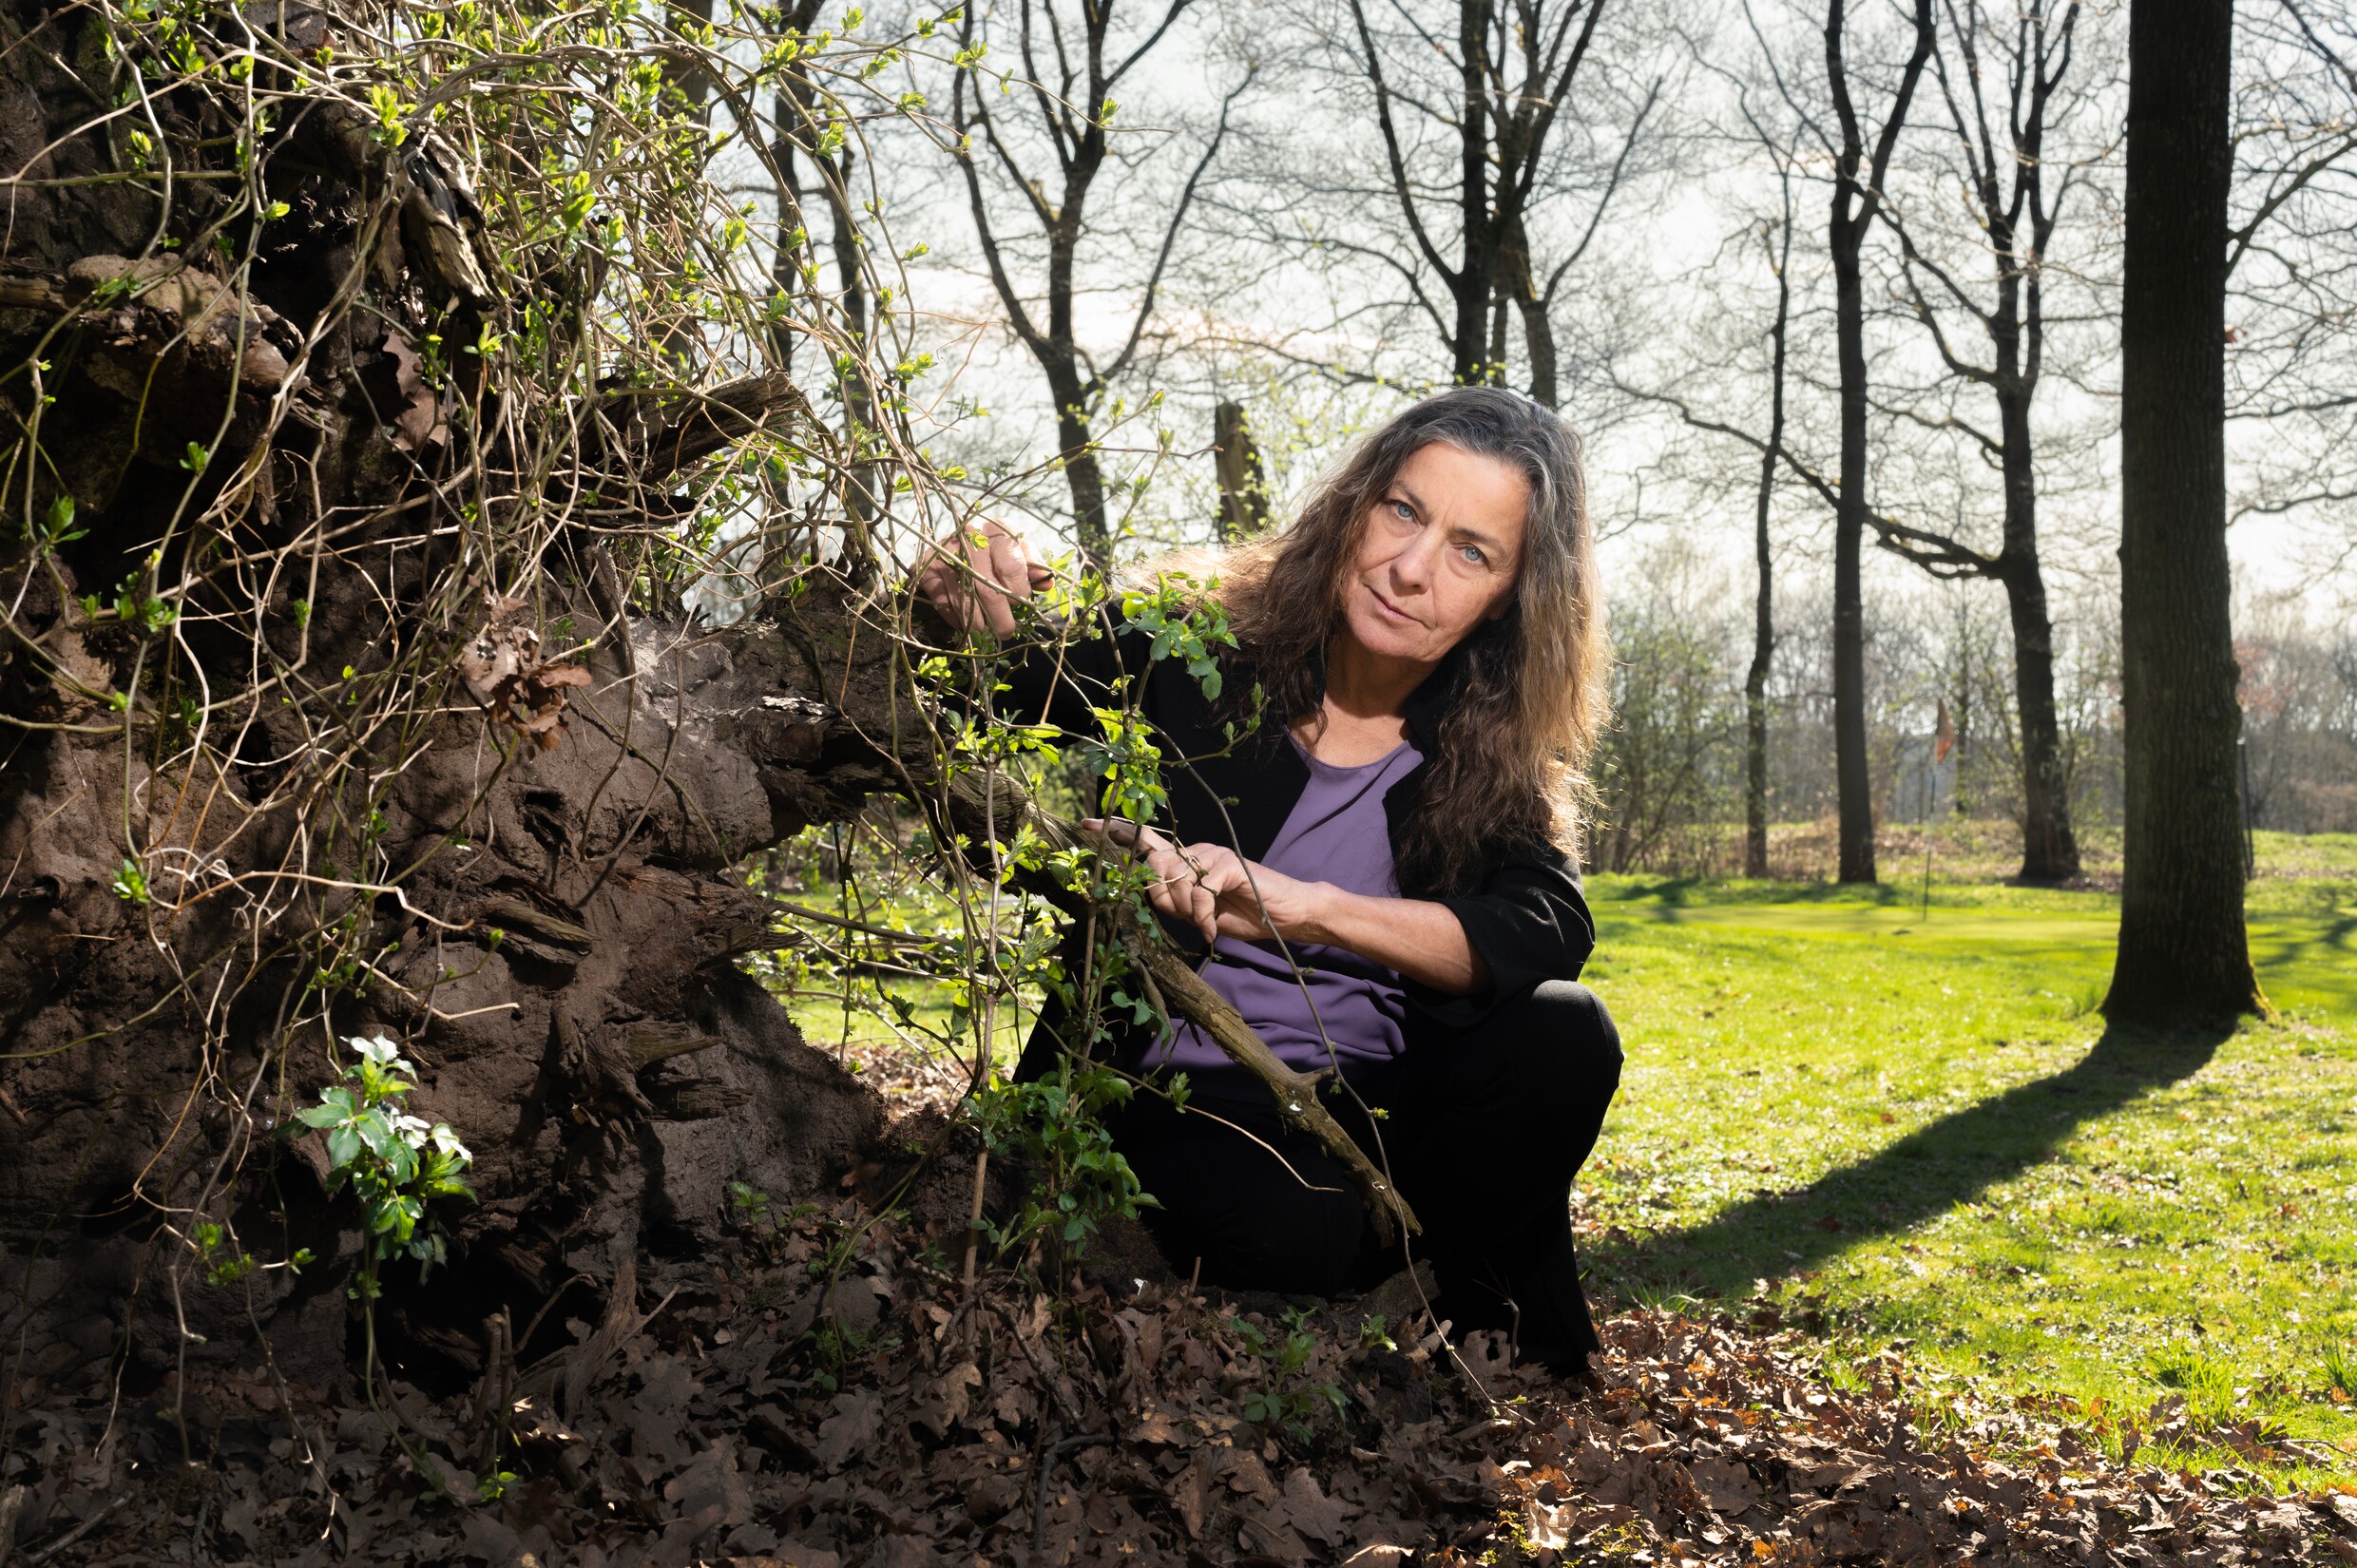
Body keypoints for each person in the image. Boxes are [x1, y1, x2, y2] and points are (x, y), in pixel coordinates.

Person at [916, 387, 1622, 1370]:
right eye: (1403, 511)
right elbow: (984, 705)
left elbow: (1544, 925)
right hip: (1175, 1090)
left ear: (1511, 596)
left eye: (1471, 552)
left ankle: (1437, 1284)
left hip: (1373, 1109)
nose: (1409, 570)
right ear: (1354, 506)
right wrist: (959, 590)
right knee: (1289, 1231)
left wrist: (1312, 911)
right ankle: (1357, 1276)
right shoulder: (1186, 648)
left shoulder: (1482, 757)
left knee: (1568, 1033)